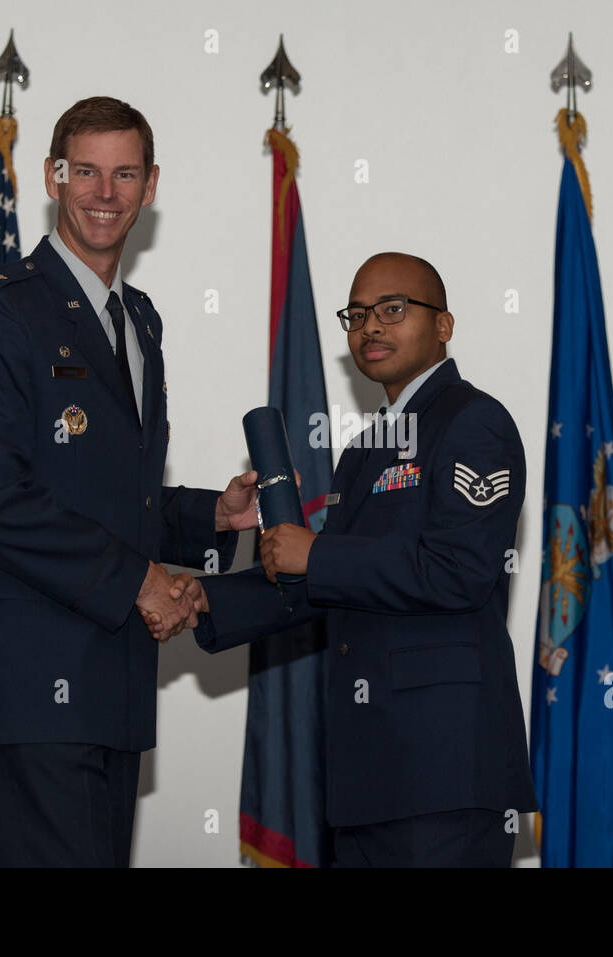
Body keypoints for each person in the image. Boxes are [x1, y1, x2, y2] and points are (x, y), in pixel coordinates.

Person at [0, 96, 258, 867]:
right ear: (53, 177)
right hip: (30, 685)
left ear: (151, 186)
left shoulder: (139, 319)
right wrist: (140, 580)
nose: (105, 193)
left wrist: (211, 513)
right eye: (86, 171)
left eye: (124, 174)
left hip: (112, 686)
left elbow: (116, 495)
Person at [178, 252, 538, 866]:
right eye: (357, 315)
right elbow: (320, 580)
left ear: (444, 325)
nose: (370, 327)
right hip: (365, 780)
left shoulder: (475, 422)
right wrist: (203, 597)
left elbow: (459, 571)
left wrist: (316, 550)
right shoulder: (364, 451)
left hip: (444, 773)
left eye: (393, 310)